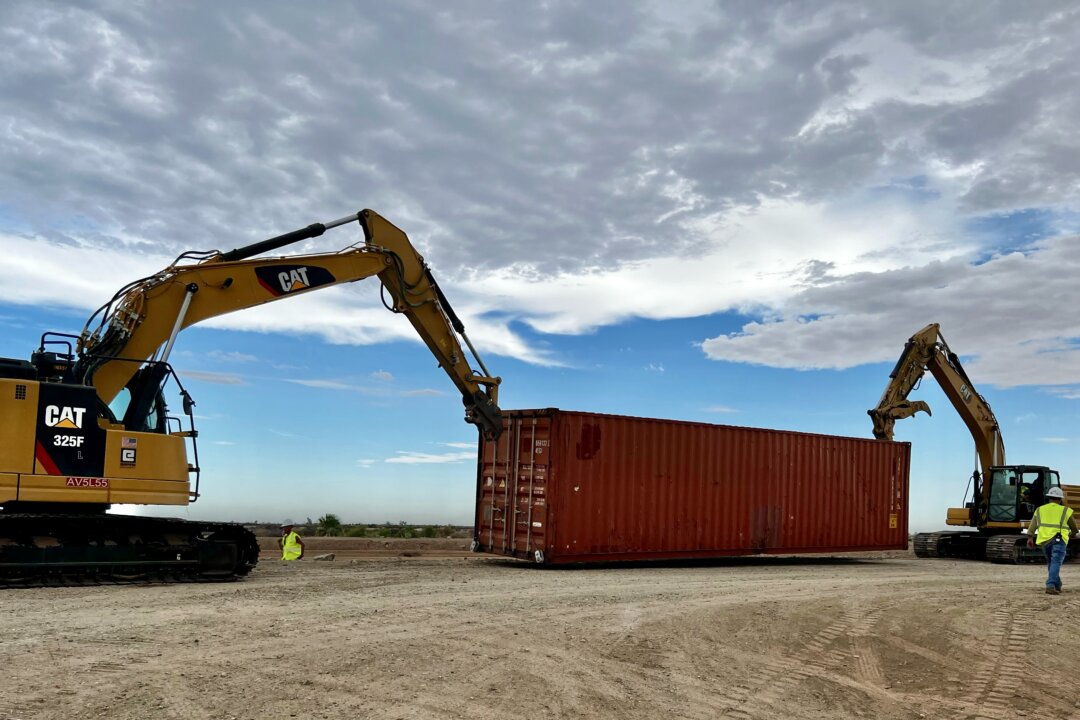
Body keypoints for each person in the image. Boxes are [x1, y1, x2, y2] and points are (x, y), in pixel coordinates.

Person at [1026, 487, 1077, 594]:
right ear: (1060, 499)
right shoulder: (1065, 510)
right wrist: (1072, 534)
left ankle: (1057, 584)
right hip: (1059, 540)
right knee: (1056, 562)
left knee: (1052, 562)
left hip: (1044, 541)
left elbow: (1032, 526)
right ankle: (1050, 585)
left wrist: (1030, 538)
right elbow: (1074, 528)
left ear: (1049, 498)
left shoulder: (1040, 510)